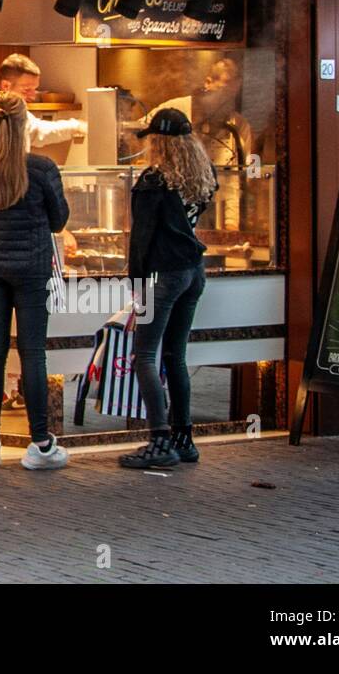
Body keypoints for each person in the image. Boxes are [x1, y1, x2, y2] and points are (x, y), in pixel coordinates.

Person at [0, 91, 71, 469]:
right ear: (24, 124)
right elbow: (59, 220)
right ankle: (40, 443)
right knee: (32, 352)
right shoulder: (41, 169)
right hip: (33, 268)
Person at [119, 107, 217, 470]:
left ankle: (159, 440)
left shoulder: (153, 182)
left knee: (144, 356)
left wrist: (137, 283)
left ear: (158, 142)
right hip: (194, 271)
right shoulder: (202, 175)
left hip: (162, 276)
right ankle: (183, 437)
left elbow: (141, 240)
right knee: (176, 356)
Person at [146, 56, 251, 230]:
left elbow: (238, 178)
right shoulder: (175, 109)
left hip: (216, 210)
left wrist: (231, 225)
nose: (226, 100)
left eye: (232, 93)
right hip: (172, 204)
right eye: (224, 91)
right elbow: (137, 133)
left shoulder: (238, 126)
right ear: (208, 83)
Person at [0, 53, 86, 162]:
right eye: (26, 90)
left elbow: (37, 131)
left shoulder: (14, 109)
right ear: (6, 86)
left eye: (34, 89)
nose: (32, 96)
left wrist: (75, 126)